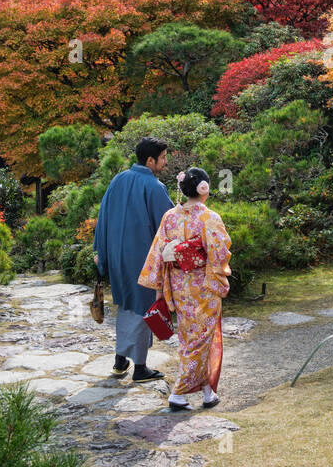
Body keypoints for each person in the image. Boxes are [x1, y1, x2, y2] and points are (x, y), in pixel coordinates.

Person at [139, 167, 232, 410]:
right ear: (204, 188)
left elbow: (158, 252)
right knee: (199, 339)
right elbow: (220, 252)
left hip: (179, 285)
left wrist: (160, 285)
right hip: (202, 285)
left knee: (193, 338)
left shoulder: (170, 216)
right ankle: (179, 393)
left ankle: (207, 391)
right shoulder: (208, 217)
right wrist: (216, 280)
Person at [93, 137, 173, 383]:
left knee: (126, 306)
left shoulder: (119, 179)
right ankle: (139, 367)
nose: (166, 162)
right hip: (142, 258)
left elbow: (103, 216)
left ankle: (120, 361)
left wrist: (101, 253)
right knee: (142, 308)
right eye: (163, 158)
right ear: (150, 161)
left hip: (117, 256)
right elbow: (169, 223)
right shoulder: (154, 186)